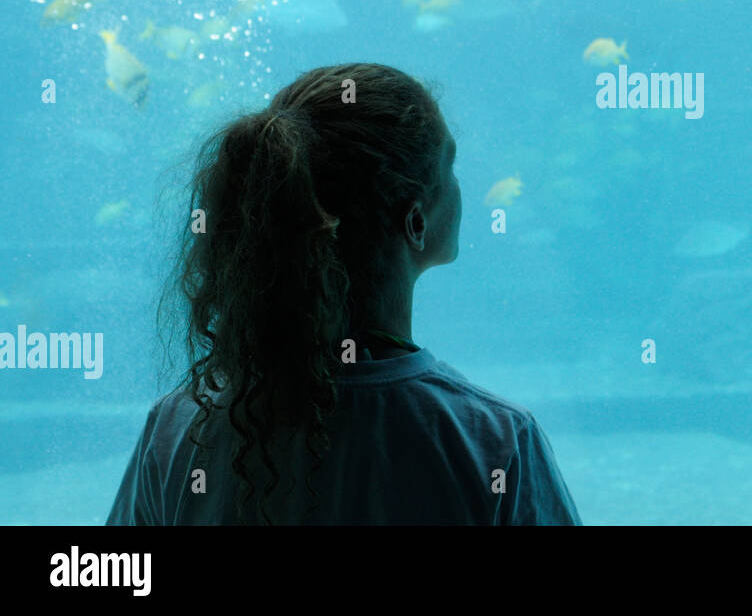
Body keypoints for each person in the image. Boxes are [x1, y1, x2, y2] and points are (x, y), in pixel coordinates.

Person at [106, 62, 581, 525]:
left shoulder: (178, 429)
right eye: (450, 166)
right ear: (415, 221)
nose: (461, 187)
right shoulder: (492, 440)